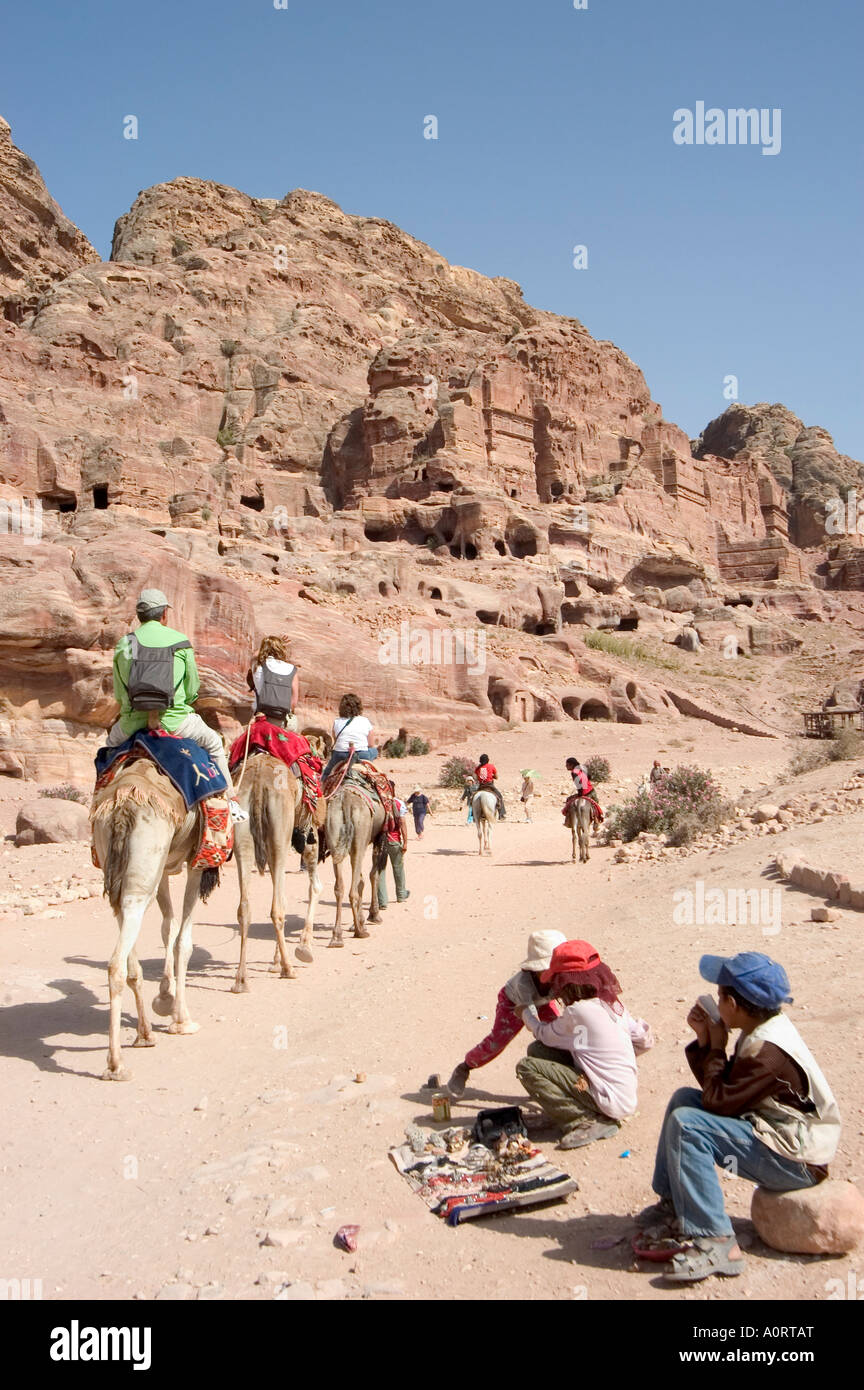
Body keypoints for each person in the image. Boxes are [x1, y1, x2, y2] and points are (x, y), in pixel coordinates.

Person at [636, 952, 841, 1284]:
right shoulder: (759, 1029)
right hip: (775, 1134)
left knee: (688, 1125)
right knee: (683, 1101)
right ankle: (673, 1203)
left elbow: (719, 1103)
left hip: (797, 1161)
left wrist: (716, 1047)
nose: (717, 1003)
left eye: (720, 996)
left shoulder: (767, 1052)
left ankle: (717, 1242)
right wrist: (706, 1040)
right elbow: (721, 1094)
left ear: (732, 1003)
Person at [105, 588, 246, 821]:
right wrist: (185, 702)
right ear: (164, 615)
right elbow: (192, 688)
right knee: (213, 744)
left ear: (140, 616)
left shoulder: (124, 644)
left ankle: (99, 807)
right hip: (175, 721)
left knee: (108, 751)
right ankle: (230, 801)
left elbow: (120, 695)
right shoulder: (180, 642)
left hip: (133, 725)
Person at [514, 939, 653, 1150]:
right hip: (623, 1095)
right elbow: (643, 1040)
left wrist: (525, 1014)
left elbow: (543, 1033)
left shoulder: (577, 1012)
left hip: (608, 1099)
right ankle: (583, 1108)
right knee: (538, 1052)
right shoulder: (613, 1004)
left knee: (527, 1067)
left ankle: (584, 1119)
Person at [447, 931, 566, 1099]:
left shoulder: (561, 977)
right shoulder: (524, 984)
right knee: (497, 1042)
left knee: (559, 1035)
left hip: (543, 1001)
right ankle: (465, 1066)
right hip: (515, 1004)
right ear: (537, 969)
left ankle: (560, 1078)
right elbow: (532, 1022)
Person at [321, 694, 379, 781]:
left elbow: (337, 741)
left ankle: (322, 786)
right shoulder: (365, 721)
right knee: (374, 751)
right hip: (361, 754)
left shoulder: (337, 722)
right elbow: (370, 744)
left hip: (340, 755)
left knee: (327, 772)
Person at [246, 636, 299, 729]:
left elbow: (254, 656)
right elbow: (294, 702)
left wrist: (267, 644)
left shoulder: (258, 666)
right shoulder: (292, 670)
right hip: (283, 720)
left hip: (262, 719)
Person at [376, 785, 410, 909]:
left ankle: (382, 901)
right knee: (398, 868)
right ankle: (401, 895)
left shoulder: (377, 803)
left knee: (380, 870)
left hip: (379, 842)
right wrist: (405, 842)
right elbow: (402, 823)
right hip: (394, 840)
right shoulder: (398, 803)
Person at [475, 753, 506, 820]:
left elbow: (477, 778)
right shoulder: (491, 766)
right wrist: (492, 776)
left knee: (473, 798)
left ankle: (473, 815)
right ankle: (501, 814)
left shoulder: (478, 768)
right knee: (499, 796)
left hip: (481, 786)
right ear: (488, 760)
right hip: (489, 785)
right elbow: (496, 777)